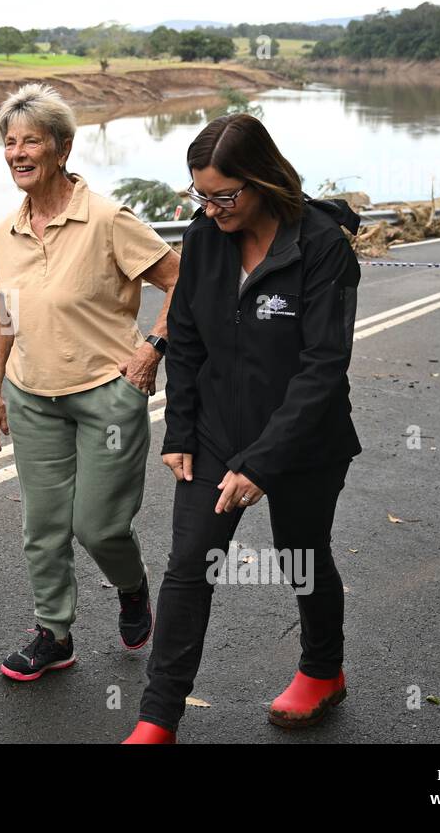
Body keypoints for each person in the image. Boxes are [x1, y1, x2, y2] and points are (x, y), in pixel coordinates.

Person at [123, 113, 362, 742]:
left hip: (303, 441)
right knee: (188, 566)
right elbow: (191, 337)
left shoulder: (322, 247)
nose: (211, 208)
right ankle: (157, 719)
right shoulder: (205, 239)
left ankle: (322, 671)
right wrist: (179, 431)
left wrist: (262, 463)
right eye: (200, 194)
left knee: (301, 553)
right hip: (216, 434)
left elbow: (323, 367)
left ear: (261, 181)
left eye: (224, 195)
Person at [0, 83, 180, 681]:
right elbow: (5, 316)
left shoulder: (107, 219)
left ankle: (131, 585)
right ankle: (54, 633)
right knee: (42, 527)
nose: (18, 153)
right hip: (31, 394)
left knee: (97, 525)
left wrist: (152, 347)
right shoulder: (5, 231)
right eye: (9, 143)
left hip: (105, 395)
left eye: (31, 141)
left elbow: (182, 280)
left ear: (62, 148)